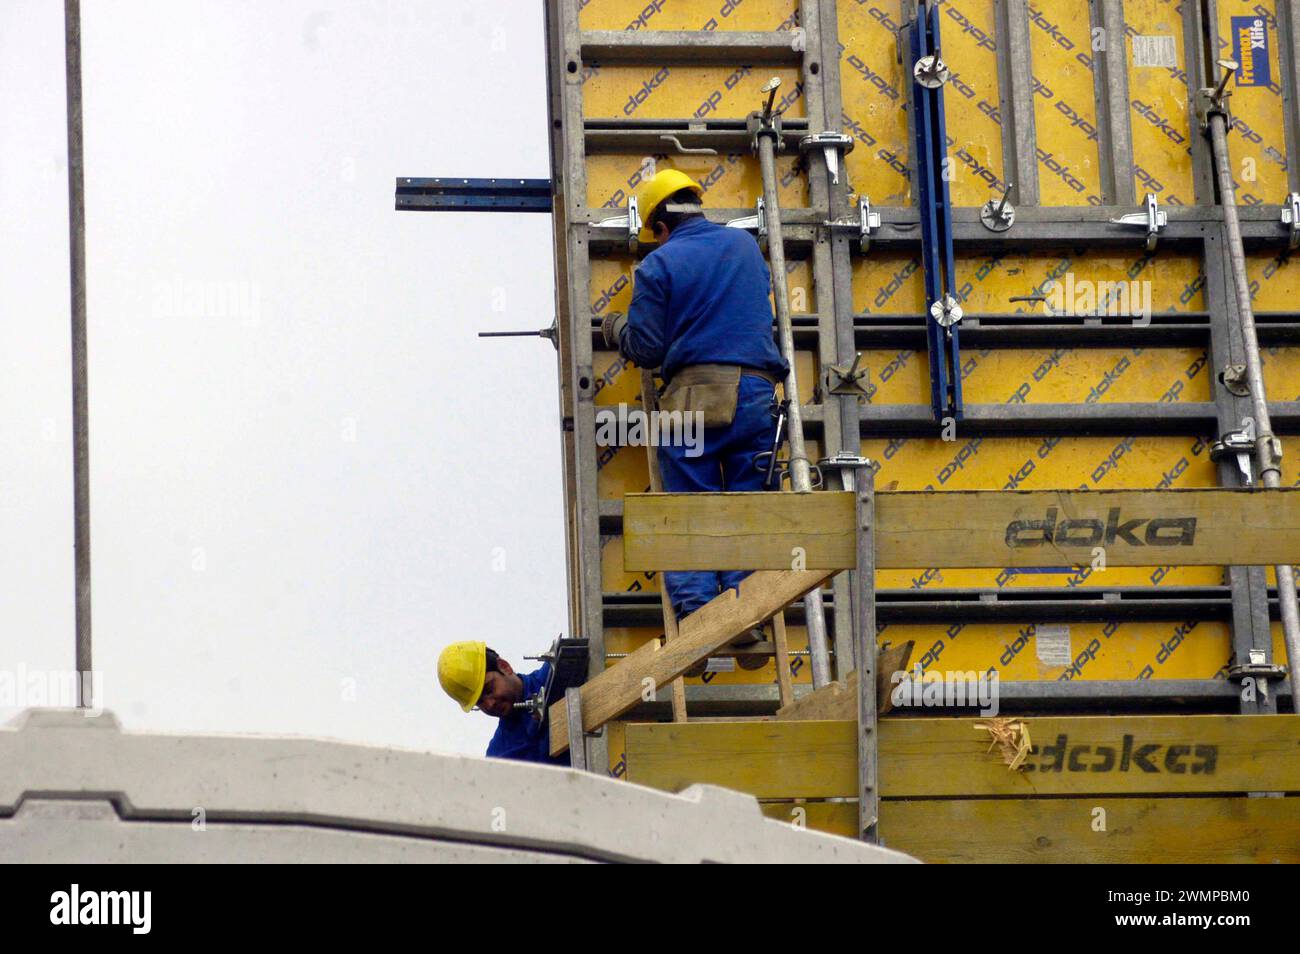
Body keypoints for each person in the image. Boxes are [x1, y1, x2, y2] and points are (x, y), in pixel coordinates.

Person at [601, 169, 788, 669]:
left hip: (693, 398)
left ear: (660, 225)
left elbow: (647, 348)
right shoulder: (745, 247)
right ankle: (747, 614)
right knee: (749, 507)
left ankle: (704, 618)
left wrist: (614, 326)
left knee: (687, 508)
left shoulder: (659, 266)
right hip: (756, 394)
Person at [436, 640, 569, 765]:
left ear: (504, 667)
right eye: (479, 702)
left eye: (488, 689)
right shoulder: (500, 756)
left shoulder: (561, 669)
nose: (489, 704)